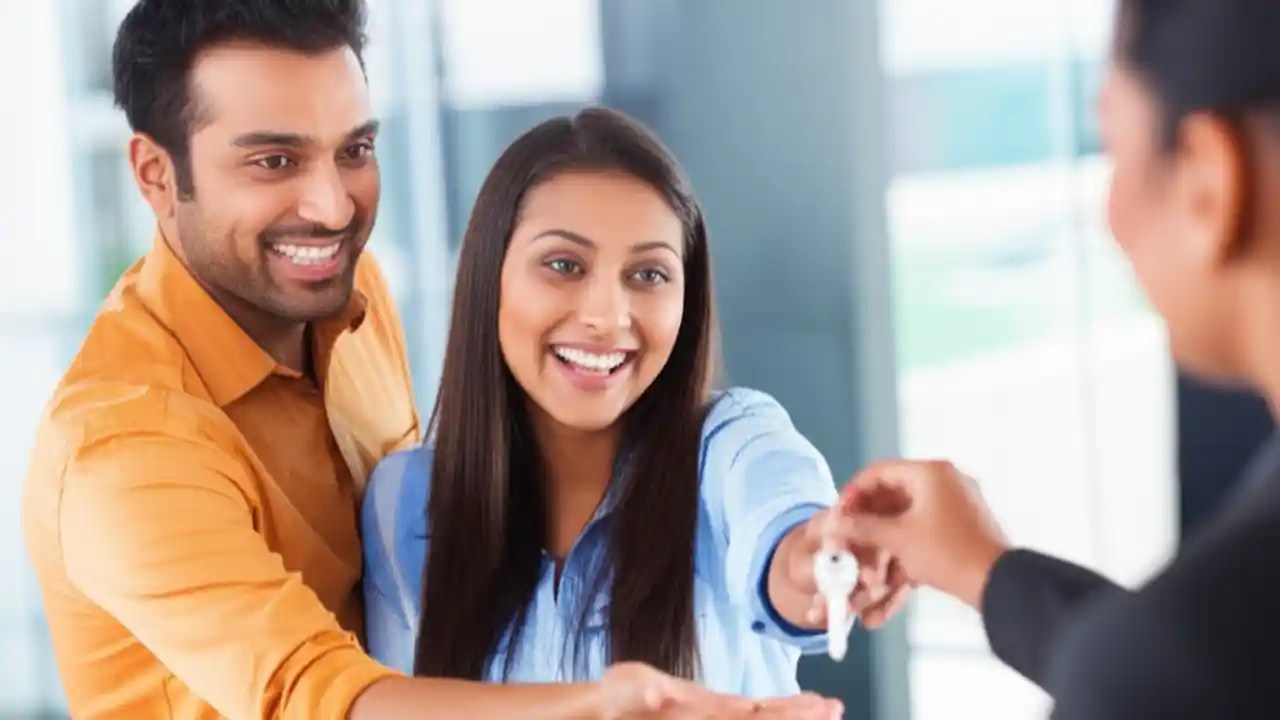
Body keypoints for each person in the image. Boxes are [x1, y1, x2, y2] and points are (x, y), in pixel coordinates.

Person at [21, 2, 834, 718]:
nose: (333, 206)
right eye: (273, 161)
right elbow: (313, 695)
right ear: (156, 174)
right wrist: (596, 705)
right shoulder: (123, 446)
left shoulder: (347, 294)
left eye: (354, 150)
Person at [839, 0, 1280, 717]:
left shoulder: (1180, 658)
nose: (1109, 214)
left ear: (1209, 181)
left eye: (1110, 146)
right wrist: (986, 572)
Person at [361, 107, 877, 708]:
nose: (607, 316)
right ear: (490, 275)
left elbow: (787, 537)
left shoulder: (731, 443)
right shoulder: (404, 503)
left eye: (649, 274)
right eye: (564, 266)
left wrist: (815, 562)